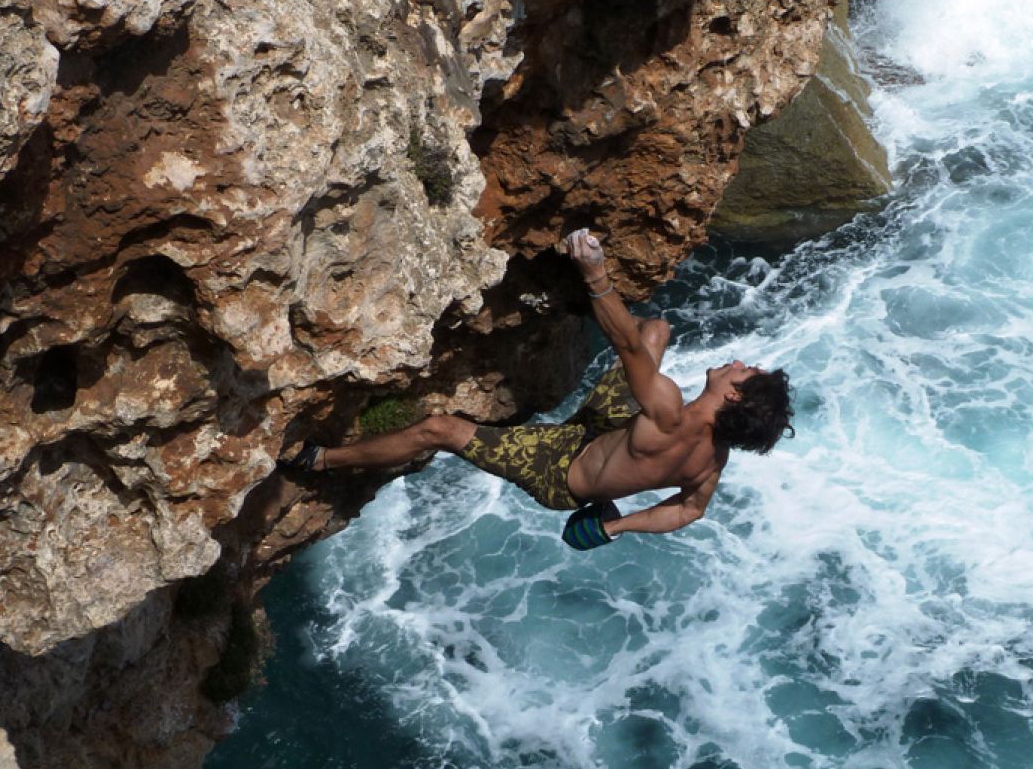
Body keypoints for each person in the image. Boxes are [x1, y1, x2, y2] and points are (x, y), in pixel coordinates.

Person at [285, 228, 793, 548]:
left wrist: (595, 274)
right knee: (656, 330)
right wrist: (614, 528)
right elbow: (689, 510)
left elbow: (626, 348)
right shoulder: (711, 462)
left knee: (439, 429)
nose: (740, 363)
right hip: (606, 433)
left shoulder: (670, 412)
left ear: (734, 397)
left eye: (747, 373)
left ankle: (321, 461)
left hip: (558, 468)